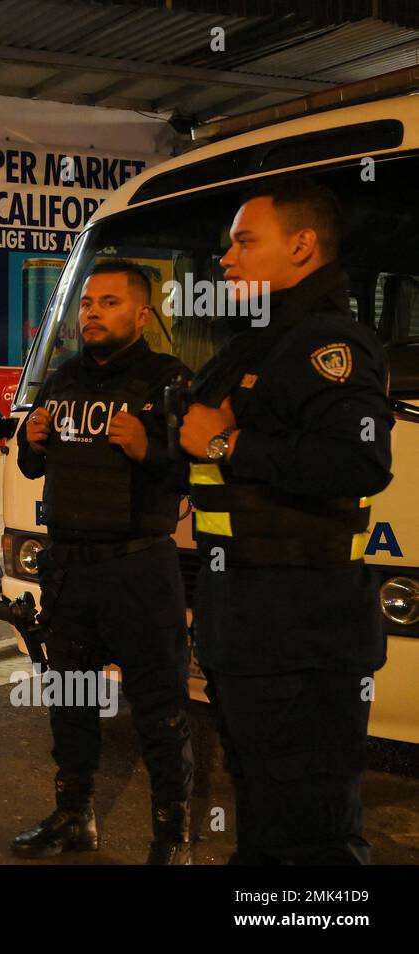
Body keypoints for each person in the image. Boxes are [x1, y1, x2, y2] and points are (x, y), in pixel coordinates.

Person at [180, 179, 392, 864]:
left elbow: (360, 461)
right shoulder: (262, 341)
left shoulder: (325, 341)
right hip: (251, 626)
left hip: (301, 634)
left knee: (309, 832)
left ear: (301, 246)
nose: (227, 258)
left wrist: (226, 444)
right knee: (270, 817)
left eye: (245, 241)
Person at [12, 261, 195, 864]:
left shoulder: (168, 380)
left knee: (160, 712)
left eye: (109, 303)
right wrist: (32, 440)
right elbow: (32, 465)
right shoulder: (63, 378)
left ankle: (173, 840)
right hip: (71, 569)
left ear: (142, 315)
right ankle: (74, 817)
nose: (91, 312)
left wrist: (149, 450)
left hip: (139, 570)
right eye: (88, 303)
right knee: (71, 700)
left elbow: (201, 469)